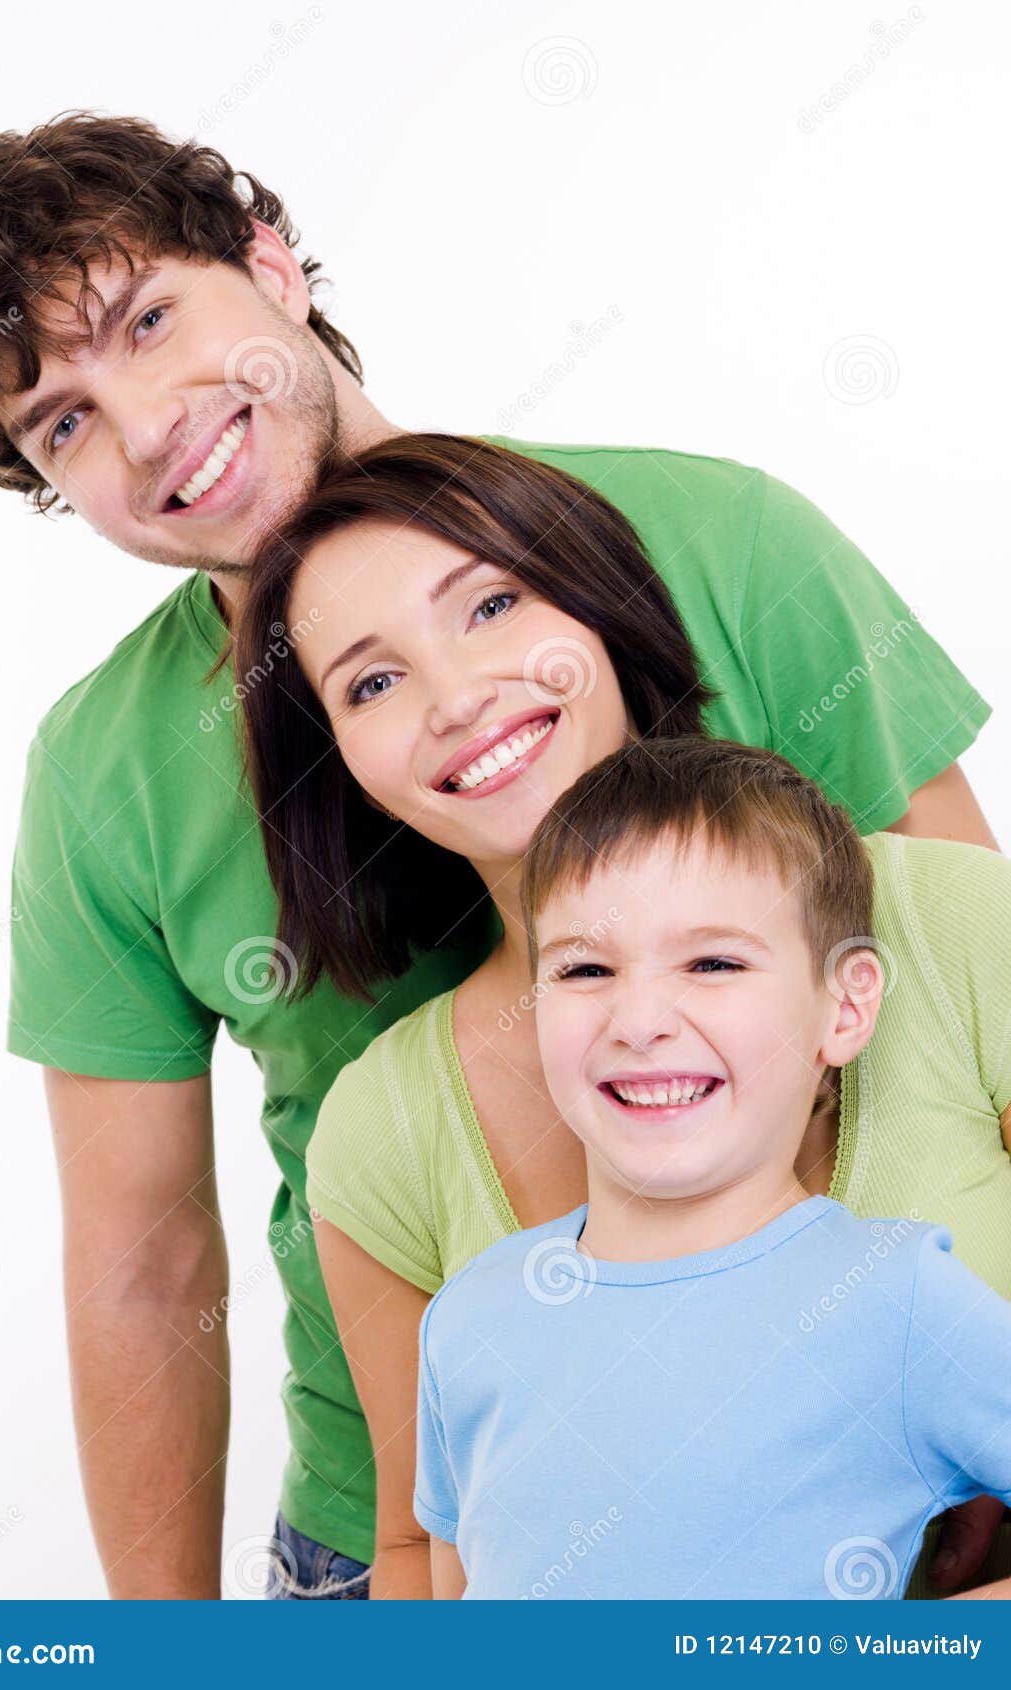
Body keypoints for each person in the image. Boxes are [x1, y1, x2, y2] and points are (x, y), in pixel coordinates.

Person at [0, 111, 996, 1601]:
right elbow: (145, 1267)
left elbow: (973, 1014)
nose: (148, 424)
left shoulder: (726, 537)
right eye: (64, 423)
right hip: (416, 1521)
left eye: (151, 321)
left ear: (271, 265)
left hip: (905, 1474)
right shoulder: (106, 777)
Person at [235, 431, 1011, 1598]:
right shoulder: (382, 1131)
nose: (455, 696)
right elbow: (418, 1551)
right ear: (338, 757)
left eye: (491, 604)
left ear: (599, 607)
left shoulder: (951, 919)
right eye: (373, 681)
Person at [413, 736, 1011, 1601]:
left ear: (845, 1006)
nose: (640, 1018)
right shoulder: (469, 1316)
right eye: (585, 968)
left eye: (713, 963)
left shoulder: (896, 1296)